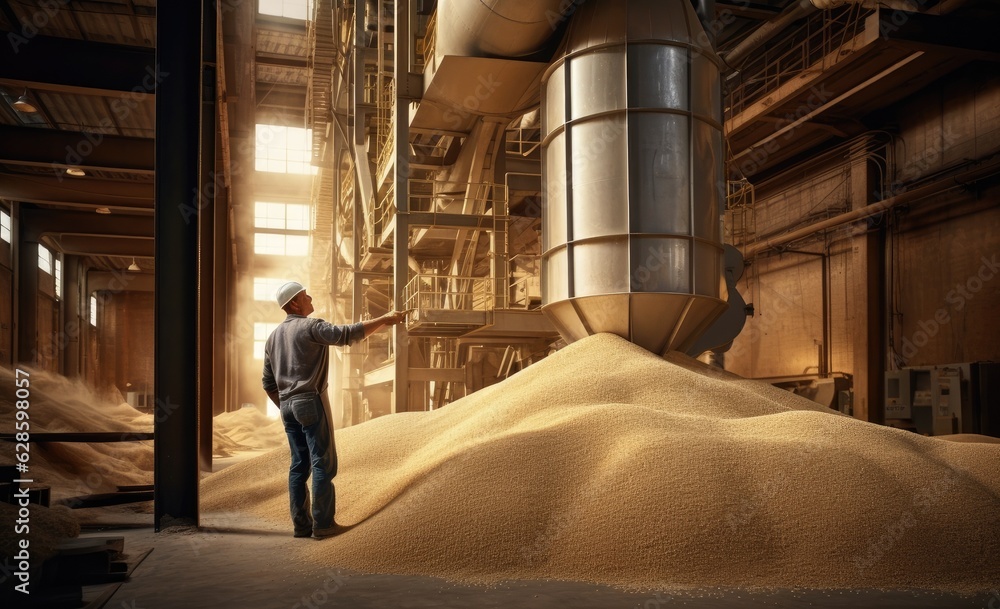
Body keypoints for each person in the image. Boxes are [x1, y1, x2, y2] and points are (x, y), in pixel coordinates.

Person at [262, 281, 407, 539]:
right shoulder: (311, 326)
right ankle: (323, 525)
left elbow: (267, 383)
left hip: (286, 406)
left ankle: (301, 526)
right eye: (305, 296)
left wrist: (286, 404)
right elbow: (346, 335)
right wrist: (386, 319)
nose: (310, 298)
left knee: (299, 465)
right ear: (294, 303)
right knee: (323, 463)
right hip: (309, 401)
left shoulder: (272, 338)